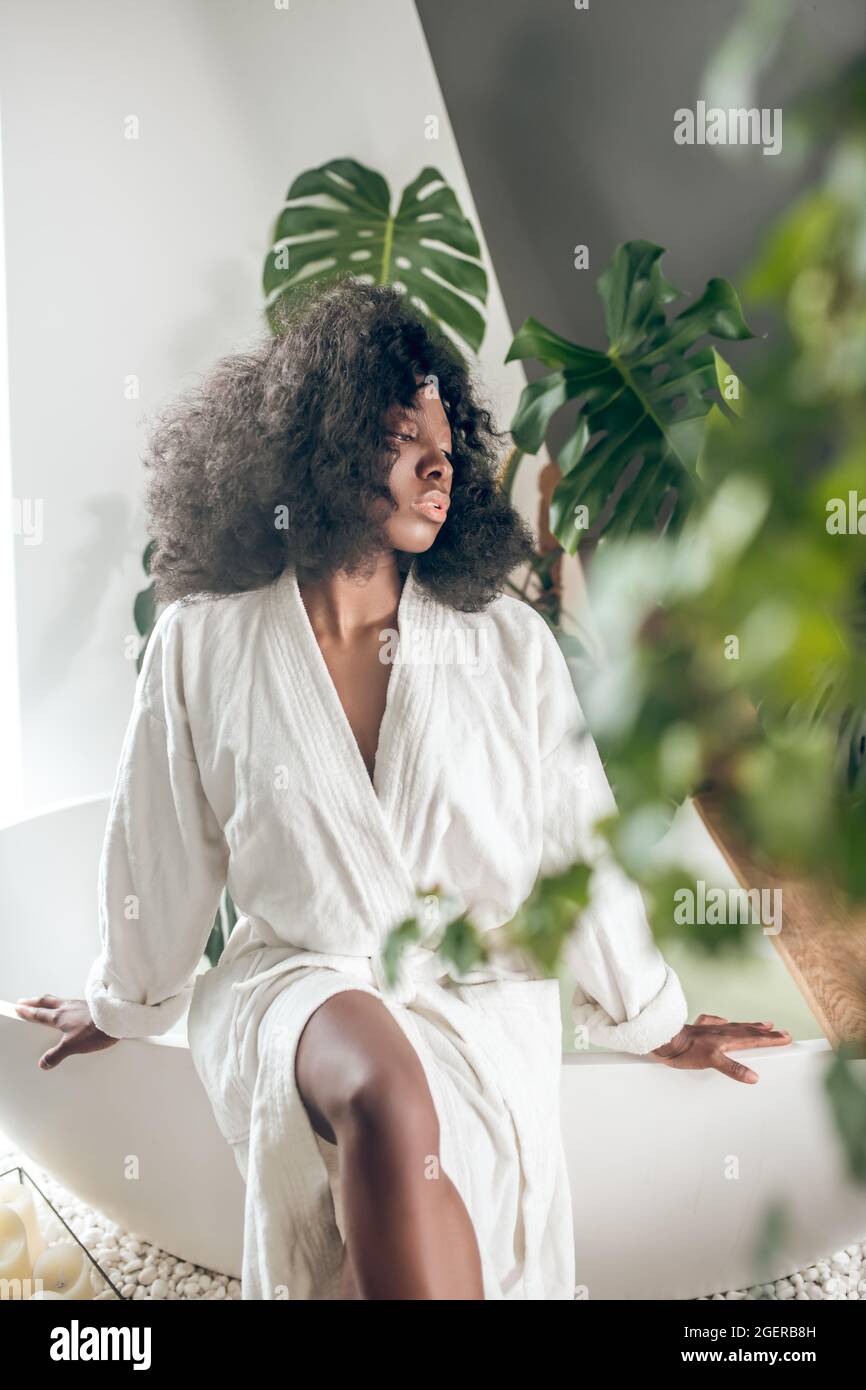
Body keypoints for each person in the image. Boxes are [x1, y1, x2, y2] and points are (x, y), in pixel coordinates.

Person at [15, 278, 792, 1301]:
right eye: (402, 436)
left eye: (447, 441)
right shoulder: (202, 642)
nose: (442, 463)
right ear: (329, 448)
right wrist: (124, 1000)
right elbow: (161, 850)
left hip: (470, 995)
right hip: (298, 979)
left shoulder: (506, 645)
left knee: (425, 1131)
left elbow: (578, 845)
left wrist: (650, 1016)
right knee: (384, 1085)